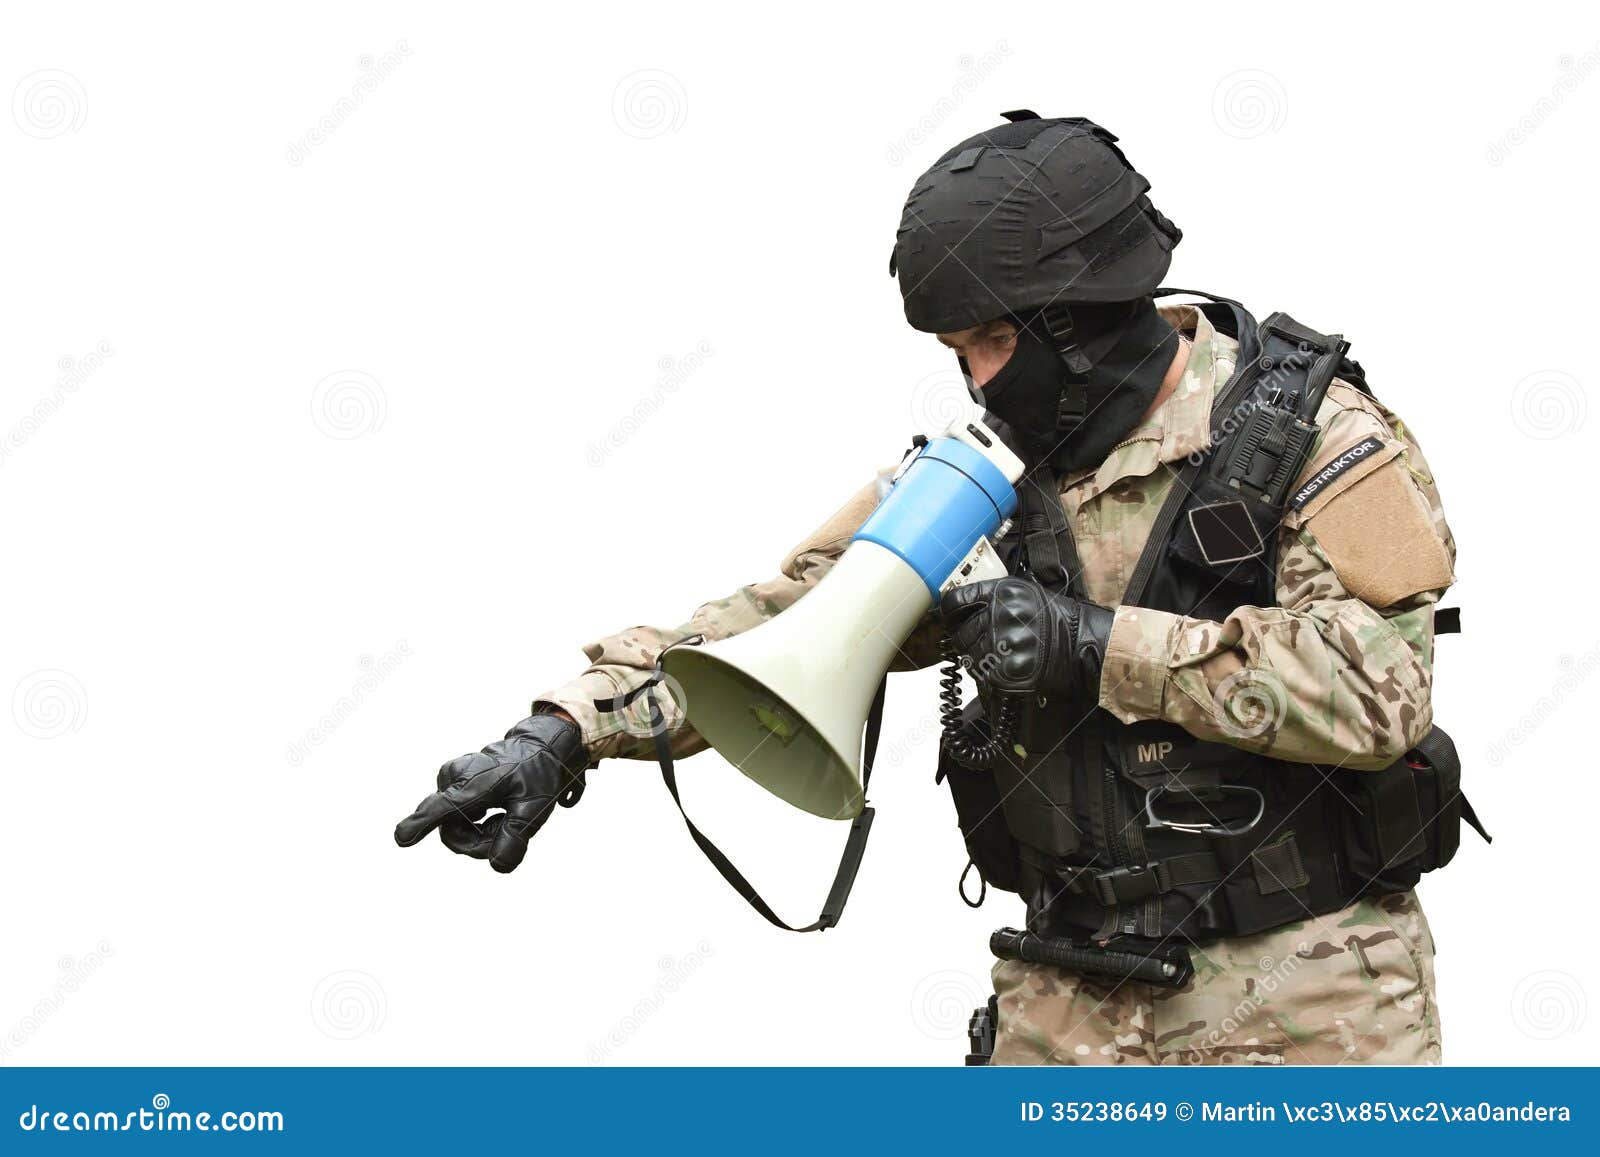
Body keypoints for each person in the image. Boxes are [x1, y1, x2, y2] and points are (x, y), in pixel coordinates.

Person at [395, 112, 1475, 1065]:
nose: (978, 380)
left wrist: (1094, 646)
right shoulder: (980, 473)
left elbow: (1381, 691)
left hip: (1308, 1006)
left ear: (1089, 317)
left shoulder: (1308, 437)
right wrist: (564, 727)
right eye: (960, 348)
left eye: (998, 340)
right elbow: (791, 626)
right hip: (1064, 1000)